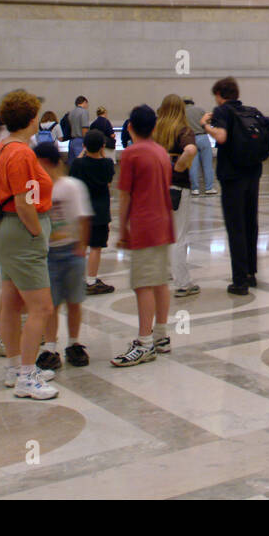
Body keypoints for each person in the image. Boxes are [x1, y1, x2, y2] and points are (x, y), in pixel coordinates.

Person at [0, 89, 58, 399]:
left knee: (11, 302)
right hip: (22, 232)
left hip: (5, 231)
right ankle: (27, 378)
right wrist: (35, 233)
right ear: (31, 120)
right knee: (41, 307)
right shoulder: (22, 153)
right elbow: (25, 202)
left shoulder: (2, 148)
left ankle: (15, 366)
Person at [111, 105, 175, 367]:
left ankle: (144, 341)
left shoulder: (131, 154)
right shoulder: (161, 152)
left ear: (130, 127)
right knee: (160, 281)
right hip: (164, 222)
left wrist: (122, 227)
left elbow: (126, 194)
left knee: (143, 284)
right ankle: (161, 335)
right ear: (155, 127)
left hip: (145, 225)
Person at [200, 77, 269, 295]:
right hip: (253, 173)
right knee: (251, 223)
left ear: (219, 95)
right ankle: (251, 273)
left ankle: (239, 281)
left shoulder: (222, 111)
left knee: (236, 227)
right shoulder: (251, 111)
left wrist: (206, 125)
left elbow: (221, 137)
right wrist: (261, 144)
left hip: (232, 176)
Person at [32, 140, 91, 369]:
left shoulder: (71, 187)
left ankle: (74, 343)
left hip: (70, 249)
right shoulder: (35, 187)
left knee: (74, 300)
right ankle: (50, 347)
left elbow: (83, 218)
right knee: (51, 304)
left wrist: (81, 248)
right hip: (48, 253)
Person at [155, 94, 199, 298]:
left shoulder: (155, 131)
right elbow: (190, 149)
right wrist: (179, 168)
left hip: (157, 186)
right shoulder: (183, 130)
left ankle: (163, 274)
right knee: (179, 235)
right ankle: (183, 282)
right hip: (177, 187)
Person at [69, 128, 116, 295]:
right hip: (100, 211)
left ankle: (76, 278)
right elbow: (109, 181)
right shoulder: (107, 164)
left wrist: (83, 152)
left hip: (81, 210)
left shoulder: (78, 164)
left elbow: (73, 176)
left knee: (81, 245)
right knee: (96, 247)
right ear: (102, 146)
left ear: (84, 145)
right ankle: (91, 279)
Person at [184, 98, 215, 196]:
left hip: (190, 138)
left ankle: (195, 188)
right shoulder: (200, 110)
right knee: (208, 164)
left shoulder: (182, 112)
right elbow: (208, 121)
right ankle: (209, 188)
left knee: (193, 165)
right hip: (203, 137)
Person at [66, 95, 91, 163]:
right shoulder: (84, 112)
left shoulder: (71, 113)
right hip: (80, 141)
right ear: (84, 102)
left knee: (72, 164)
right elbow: (84, 128)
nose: (87, 106)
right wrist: (86, 142)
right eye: (87, 104)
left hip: (72, 141)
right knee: (81, 163)